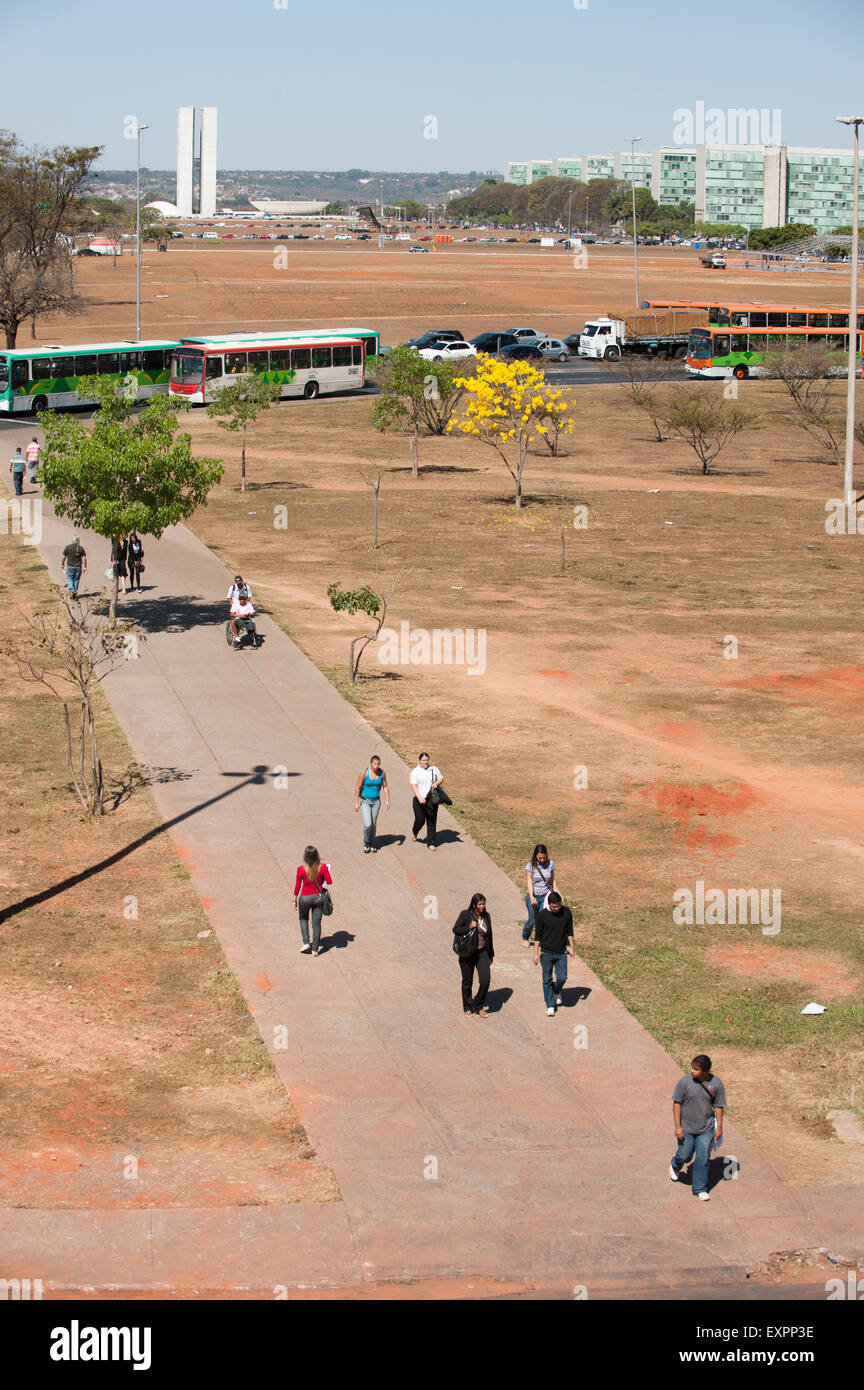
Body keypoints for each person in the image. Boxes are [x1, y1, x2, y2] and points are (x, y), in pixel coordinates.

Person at [669, 1054, 727, 1202]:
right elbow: (677, 1103)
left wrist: (719, 1127)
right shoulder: (684, 1083)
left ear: (705, 1071)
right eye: (692, 1068)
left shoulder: (717, 1085)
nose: (692, 1071)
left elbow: (719, 1106)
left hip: (705, 1129)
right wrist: (678, 1126)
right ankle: (675, 1163)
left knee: (702, 1158)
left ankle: (700, 1188)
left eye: (696, 1069)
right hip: (687, 1128)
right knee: (685, 1155)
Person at [532, 891, 575, 1015]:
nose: (556, 909)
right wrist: (536, 953)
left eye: (558, 906)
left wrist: (572, 947)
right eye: (554, 907)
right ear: (549, 904)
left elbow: (570, 931)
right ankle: (550, 1005)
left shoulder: (566, 912)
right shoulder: (542, 916)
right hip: (546, 952)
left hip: (561, 952)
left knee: (562, 977)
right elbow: (538, 936)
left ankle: (556, 990)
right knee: (547, 979)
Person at [452, 893, 494, 1017]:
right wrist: (469, 927)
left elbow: (489, 936)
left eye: (483, 904)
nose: (482, 906)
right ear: (474, 905)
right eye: (480, 904)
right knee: (467, 982)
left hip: (482, 952)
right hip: (468, 953)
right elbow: (455, 929)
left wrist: (491, 954)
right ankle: (467, 1006)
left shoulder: (487, 917)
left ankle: (478, 1005)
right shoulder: (465, 915)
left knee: (485, 980)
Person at [293, 846, 332, 956]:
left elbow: (297, 886)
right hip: (318, 897)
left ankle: (306, 943)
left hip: (305, 897)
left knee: (303, 918)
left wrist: (294, 899)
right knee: (316, 923)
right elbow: (329, 881)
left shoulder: (301, 869)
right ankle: (315, 948)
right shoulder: (322, 867)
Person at [354, 754, 390, 853]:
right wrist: (356, 802)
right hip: (365, 801)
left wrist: (387, 800)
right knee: (368, 824)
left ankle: (372, 843)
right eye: (374, 764)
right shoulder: (364, 773)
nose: (376, 766)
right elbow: (357, 787)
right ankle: (366, 842)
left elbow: (385, 786)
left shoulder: (382, 774)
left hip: (376, 801)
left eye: (378, 764)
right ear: (370, 764)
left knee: (373, 824)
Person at [523, 843, 556, 945]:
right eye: (539, 858)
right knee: (532, 920)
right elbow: (529, 882)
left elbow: (552, 880)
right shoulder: (530, 866)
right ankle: (525, 937)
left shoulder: (550, 864)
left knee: (543, 919)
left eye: (544, 858)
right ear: (535, 856)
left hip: (545, 896)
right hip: (533, 896)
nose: (542, 860)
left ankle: (541, 939)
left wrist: (556, 892)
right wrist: (532, 896)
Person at [410, 751, 443, 851]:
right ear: (420, 761)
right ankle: (415, 832)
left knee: (431, 821)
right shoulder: (415, 772)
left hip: (431, 800)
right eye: (423, 760)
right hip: (419, 800)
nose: (425, 762)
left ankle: (431, 843)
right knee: (420, 821)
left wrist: (436, 783)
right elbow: (414, 786)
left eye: (427, 760)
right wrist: (419, 797)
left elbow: (441, 778)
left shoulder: (433, 769)